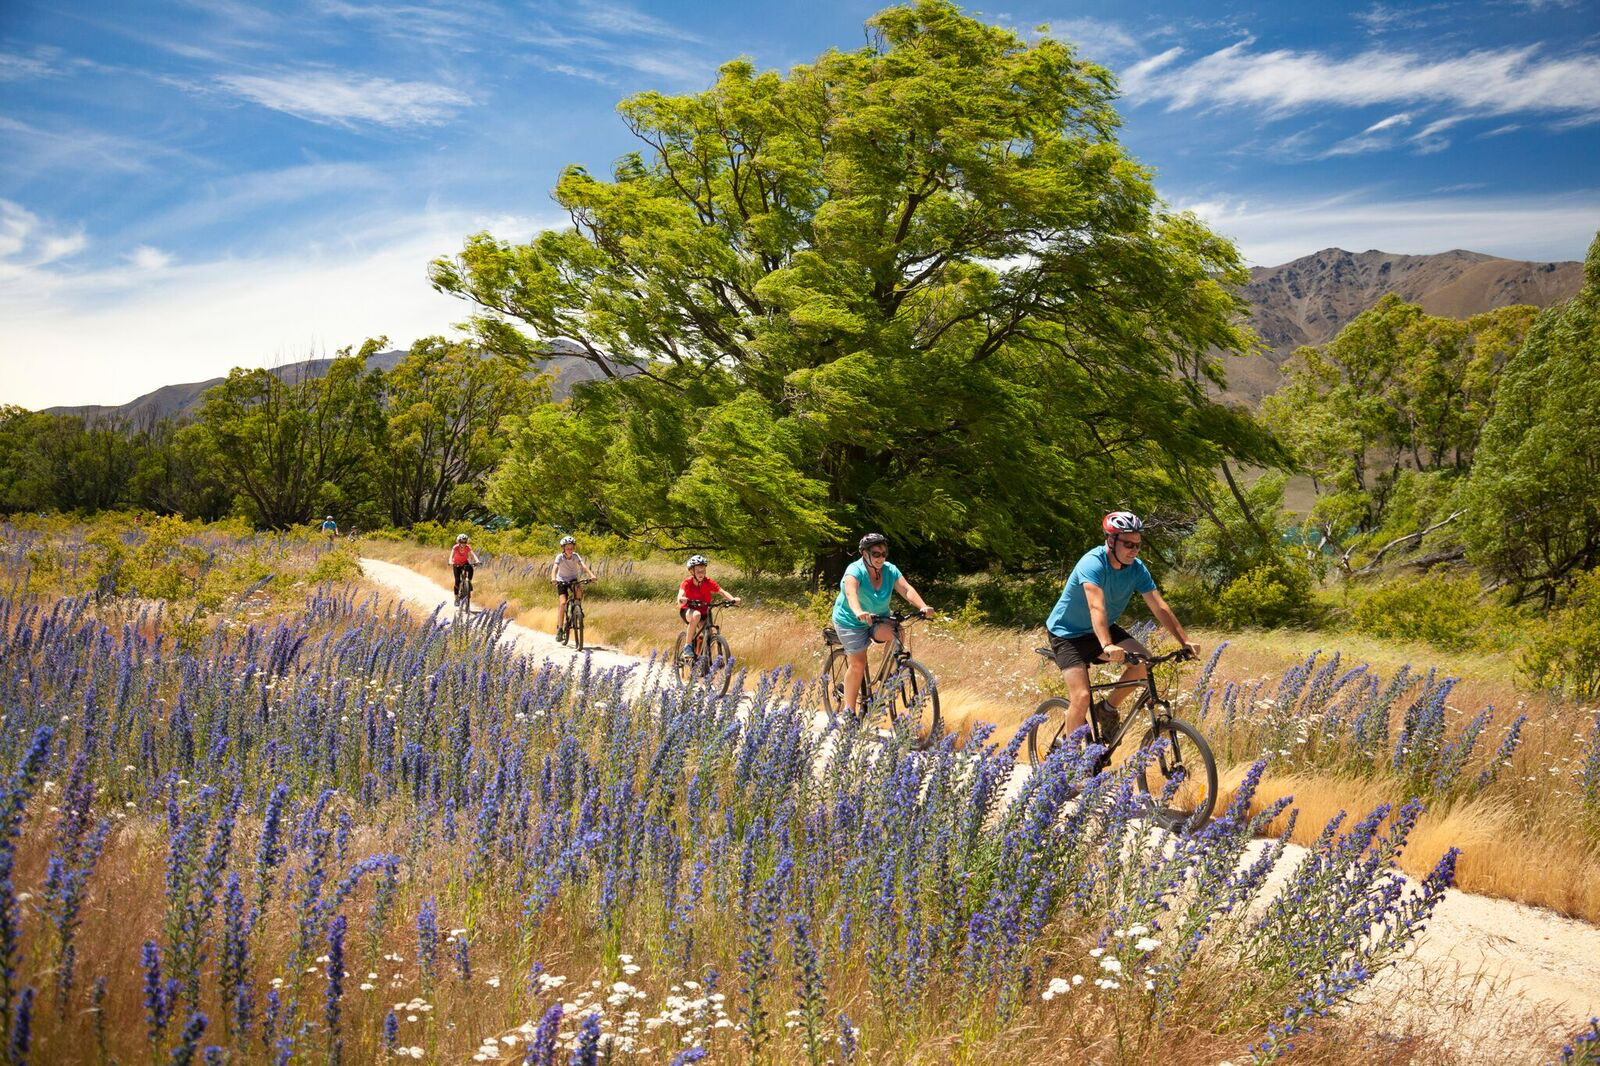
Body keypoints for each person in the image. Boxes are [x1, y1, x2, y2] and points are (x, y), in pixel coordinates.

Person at [1044, 511, 1199, 741]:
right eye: (1128, 544)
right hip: (1067, 634)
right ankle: (1068, 757)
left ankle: (1106, 710)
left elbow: (1159, 607)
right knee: (1082, 697)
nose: (1134, 550)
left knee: (1144, 663)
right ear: (1111, 540)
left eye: (1138, 545)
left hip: (1100, 629)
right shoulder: (1093, 563)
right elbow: (1096, 606)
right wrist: (1107, 645)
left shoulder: (1137, 569)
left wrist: (1184, 641)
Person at [831, 533, 933, 717]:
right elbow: (851, 593)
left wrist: (922, 606)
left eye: (884, 554)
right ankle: (849, 712)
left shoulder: (890, 570)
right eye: (876, 554)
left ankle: (885, 680)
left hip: (877, 618)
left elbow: (906, 589)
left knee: (897, 632)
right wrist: (858, 611)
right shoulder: (854, 570)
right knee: (858, 664)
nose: (880, 558)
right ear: (865, 554)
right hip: (851, 621)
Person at [678, 555, 740, 658]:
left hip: (704, 610)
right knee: (696, 615)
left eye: (703, 571)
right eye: (698, 571)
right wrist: (681, 598)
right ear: (692, 571)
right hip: (688, 609)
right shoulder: (687, 582)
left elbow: (721, 591)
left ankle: (701, 658)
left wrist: (732, 599)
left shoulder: (708, 582)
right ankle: (687, 646)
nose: (701, 573)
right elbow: (681, 594)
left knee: (708, 634)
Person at [550, 536, 597, 638]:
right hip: (561, 580)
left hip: (573, 579)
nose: (570, 550)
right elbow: (554, 568)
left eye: (571, 548)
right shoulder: (559, 557)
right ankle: (560, 629)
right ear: (563, 548)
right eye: (568, 548)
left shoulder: (575, 556)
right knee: (563, 603)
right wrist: (553, 578)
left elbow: (583, 566)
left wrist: (591, 575)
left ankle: (577, 609)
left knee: (579, 590)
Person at [450, 533, 480, 603]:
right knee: (457, 581)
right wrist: (450, 561)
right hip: (456, 564)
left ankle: (468, 582)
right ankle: (456, 598)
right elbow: (451, 556)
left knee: (471, 568)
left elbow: (473, 554)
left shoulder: (468, 547)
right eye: (461, 542)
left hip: (464, 563)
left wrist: (477, 560)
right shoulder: (455, 547)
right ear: (458, 541)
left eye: (465, 542)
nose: (463, 543)